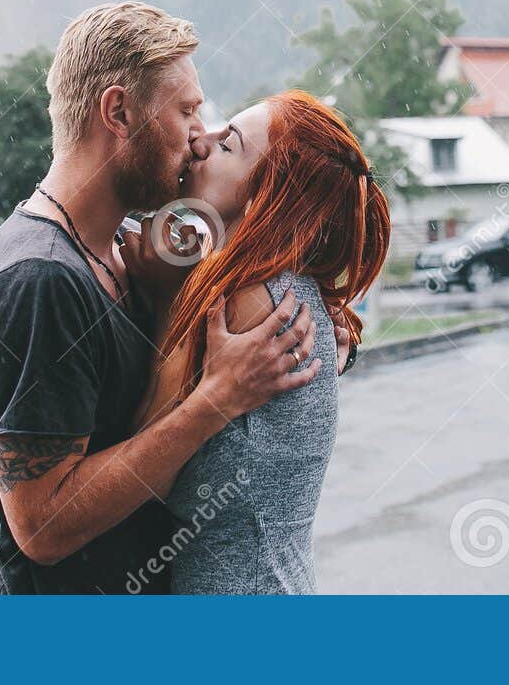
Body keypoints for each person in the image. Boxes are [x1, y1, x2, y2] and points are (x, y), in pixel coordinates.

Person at [0, 2, 344, 594]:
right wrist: (214, 402)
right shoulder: (38, 281)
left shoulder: (119, 256)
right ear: (118, 111)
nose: (199, 136)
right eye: (187, 110)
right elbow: (43, 527)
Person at [135, 89, 390, 593]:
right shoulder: (289, 287)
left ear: (262, 197)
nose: (201, 142)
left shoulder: (241, 301)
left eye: (228, 145)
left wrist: (164, 300)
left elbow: (145, 476)